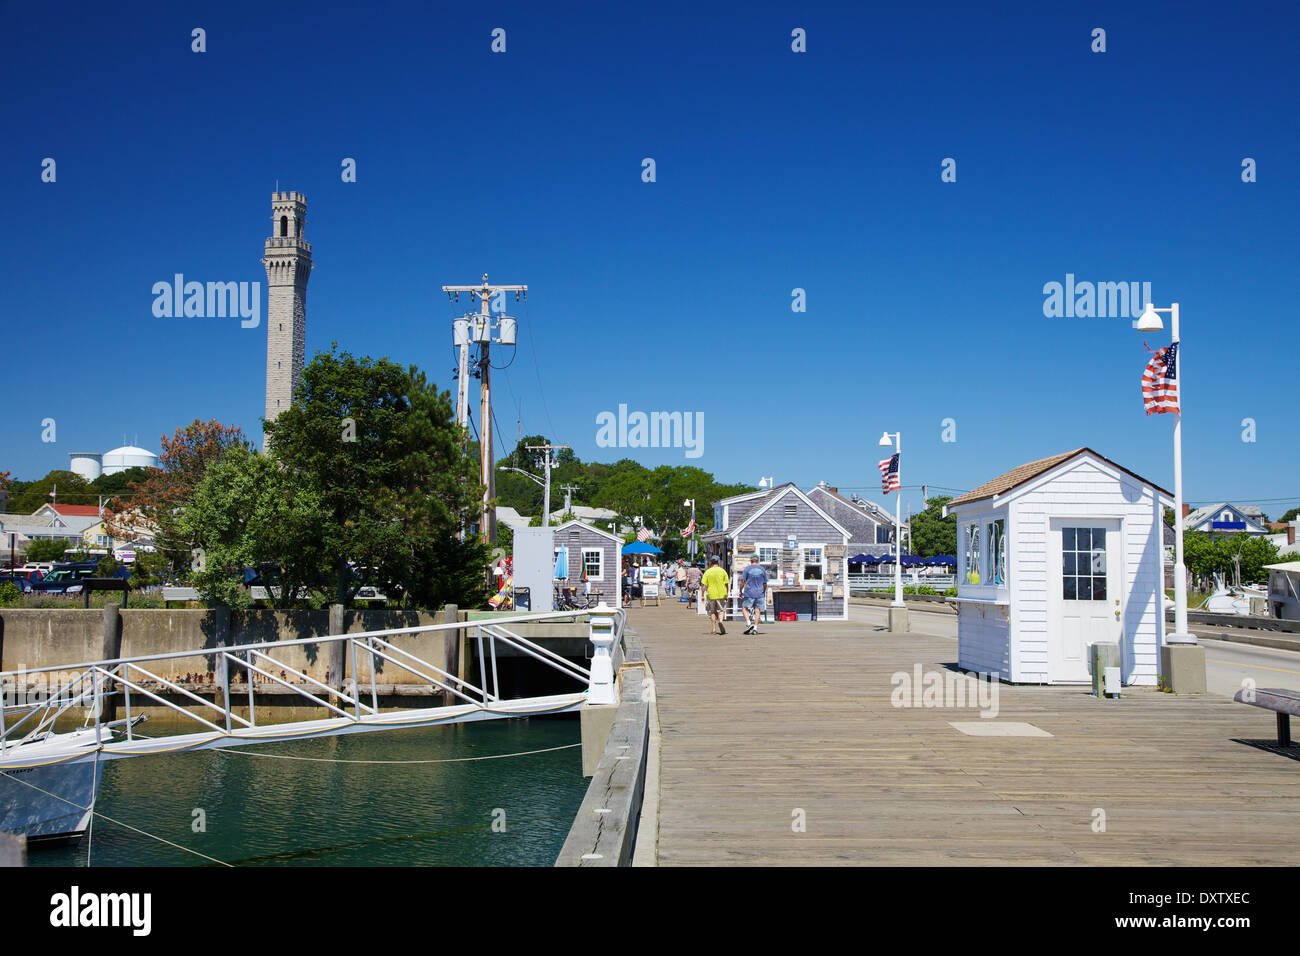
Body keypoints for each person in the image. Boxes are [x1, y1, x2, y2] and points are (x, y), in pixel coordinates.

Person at [701, 554, 730, 635]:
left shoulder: (708, 572)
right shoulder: (723, 571)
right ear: (718, 562)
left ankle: (714, 628)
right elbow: (726, 584)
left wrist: (702, 595)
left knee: (712, 611)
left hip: (711, 594)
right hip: (721, 594)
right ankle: (720, 621)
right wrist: (727, 594)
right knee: (721, 610)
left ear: (711, 562)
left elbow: (704, 585)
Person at [739, 554, 768, 635]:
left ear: (751, 560)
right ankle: (755, 628)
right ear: (758, 560)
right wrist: (764, 591)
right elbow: (765, 583)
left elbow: (743, 581)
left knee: (744, 608)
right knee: (757, 610)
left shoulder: (747, 569)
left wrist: (740, 591)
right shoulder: (762, 569)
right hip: (759, 592)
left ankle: (748, 623)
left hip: (749, 592)